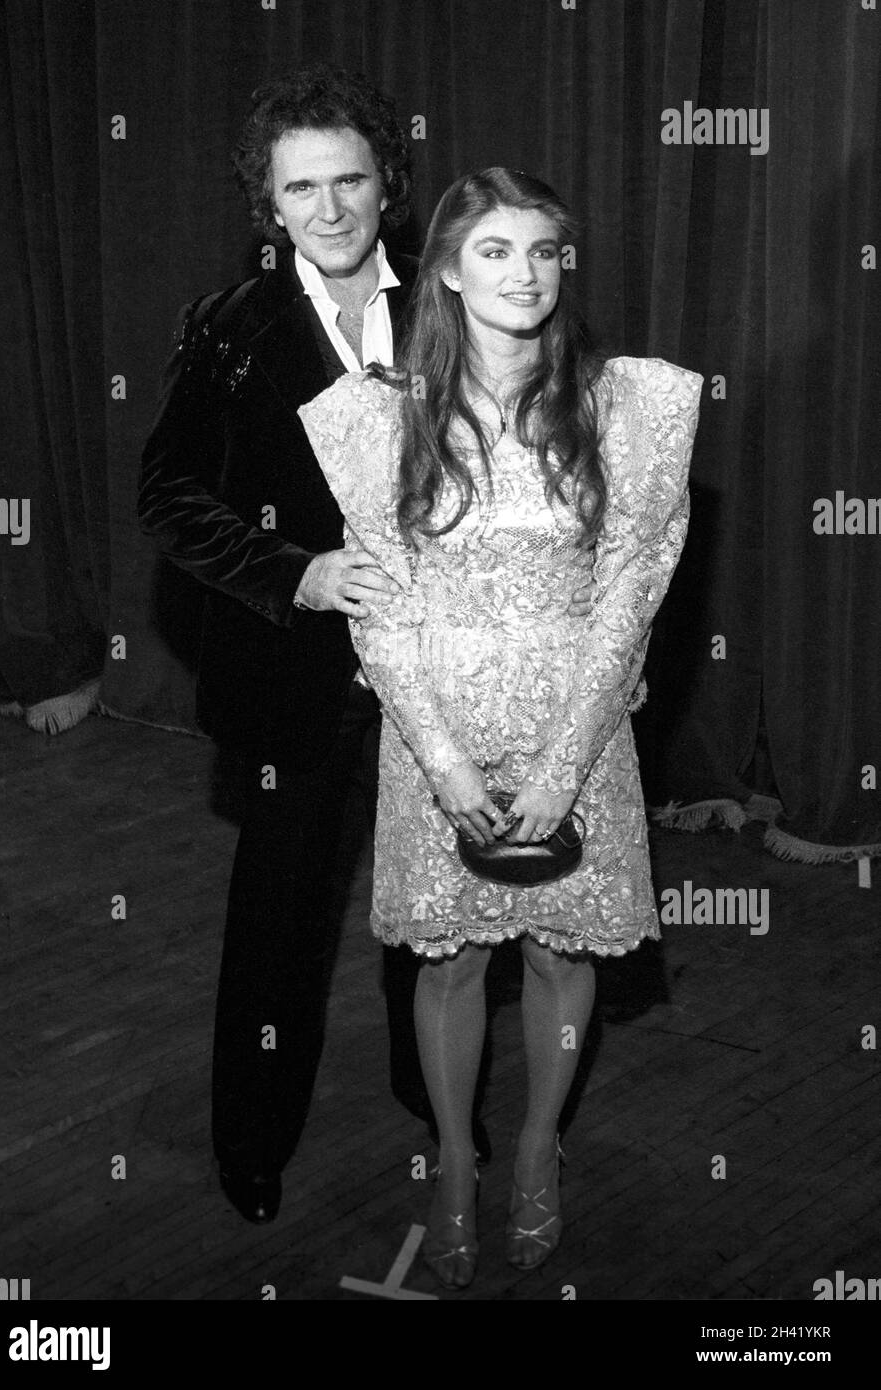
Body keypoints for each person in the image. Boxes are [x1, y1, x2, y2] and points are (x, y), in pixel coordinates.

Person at [299, 166, 703, 1288]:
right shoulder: (381, 417)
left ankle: (535, 1153)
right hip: (438, 736)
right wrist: (437, 760)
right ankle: (455, 1162)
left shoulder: (629, 405)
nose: (521, 273)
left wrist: (566, 764)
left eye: (540, 251)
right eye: (492, 251)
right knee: (449, 961)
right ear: (442, 271)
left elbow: (631, 595)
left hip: (578, 731)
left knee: (562, 953)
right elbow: (379, 609)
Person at [137, 66, 427, 1225]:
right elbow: (165, 494)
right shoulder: (233, 325)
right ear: (269, 201)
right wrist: (293, 573)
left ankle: (431, 1090)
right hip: (296, 679)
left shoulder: (455, 303)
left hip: (437, 676)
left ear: (385, 184)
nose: (329, 207)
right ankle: (249, 1139)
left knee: (432, 912)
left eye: (348, 178)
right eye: (300, 186)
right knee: (278, 925)